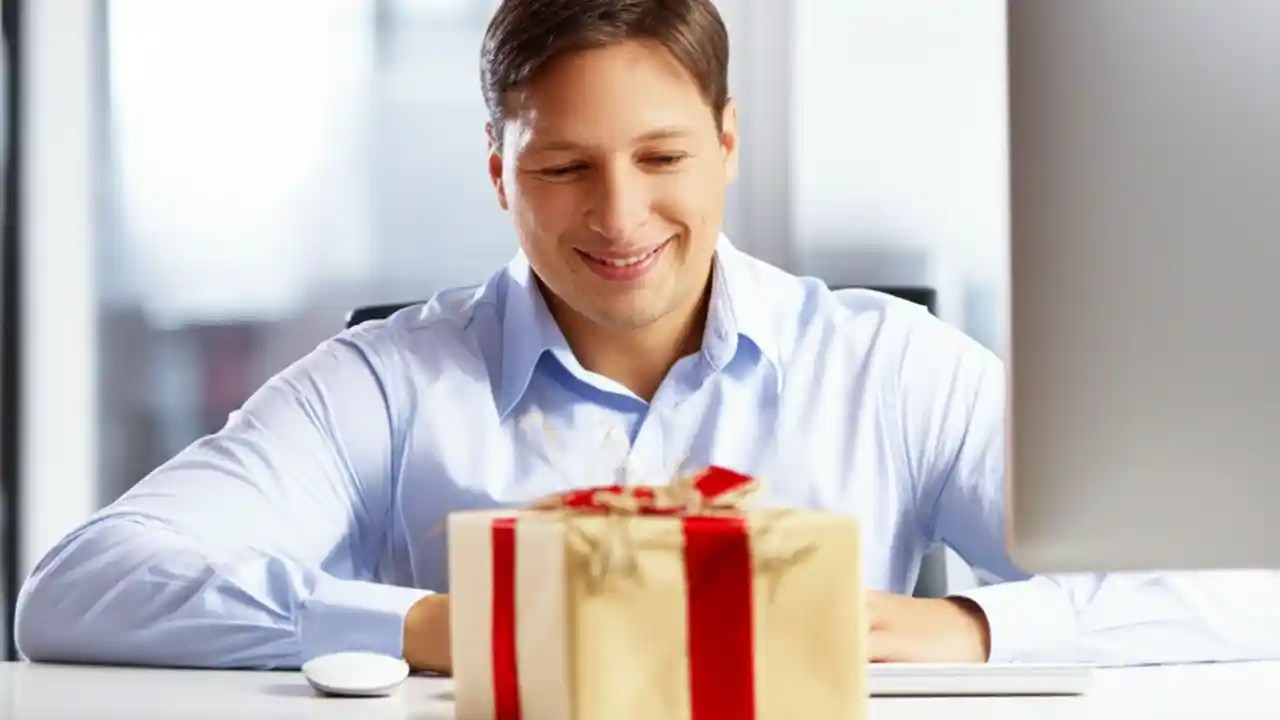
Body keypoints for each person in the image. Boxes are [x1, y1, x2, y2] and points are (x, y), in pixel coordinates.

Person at [15, 0, 1280, 673]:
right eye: (563, 166)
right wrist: (434, 627)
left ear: (727, 144)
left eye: (661, 157)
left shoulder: (886, 368)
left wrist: (957, 628)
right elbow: (78, 589)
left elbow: (1238, 588)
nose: (618, 218)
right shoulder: (386, 383)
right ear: (498, 172)